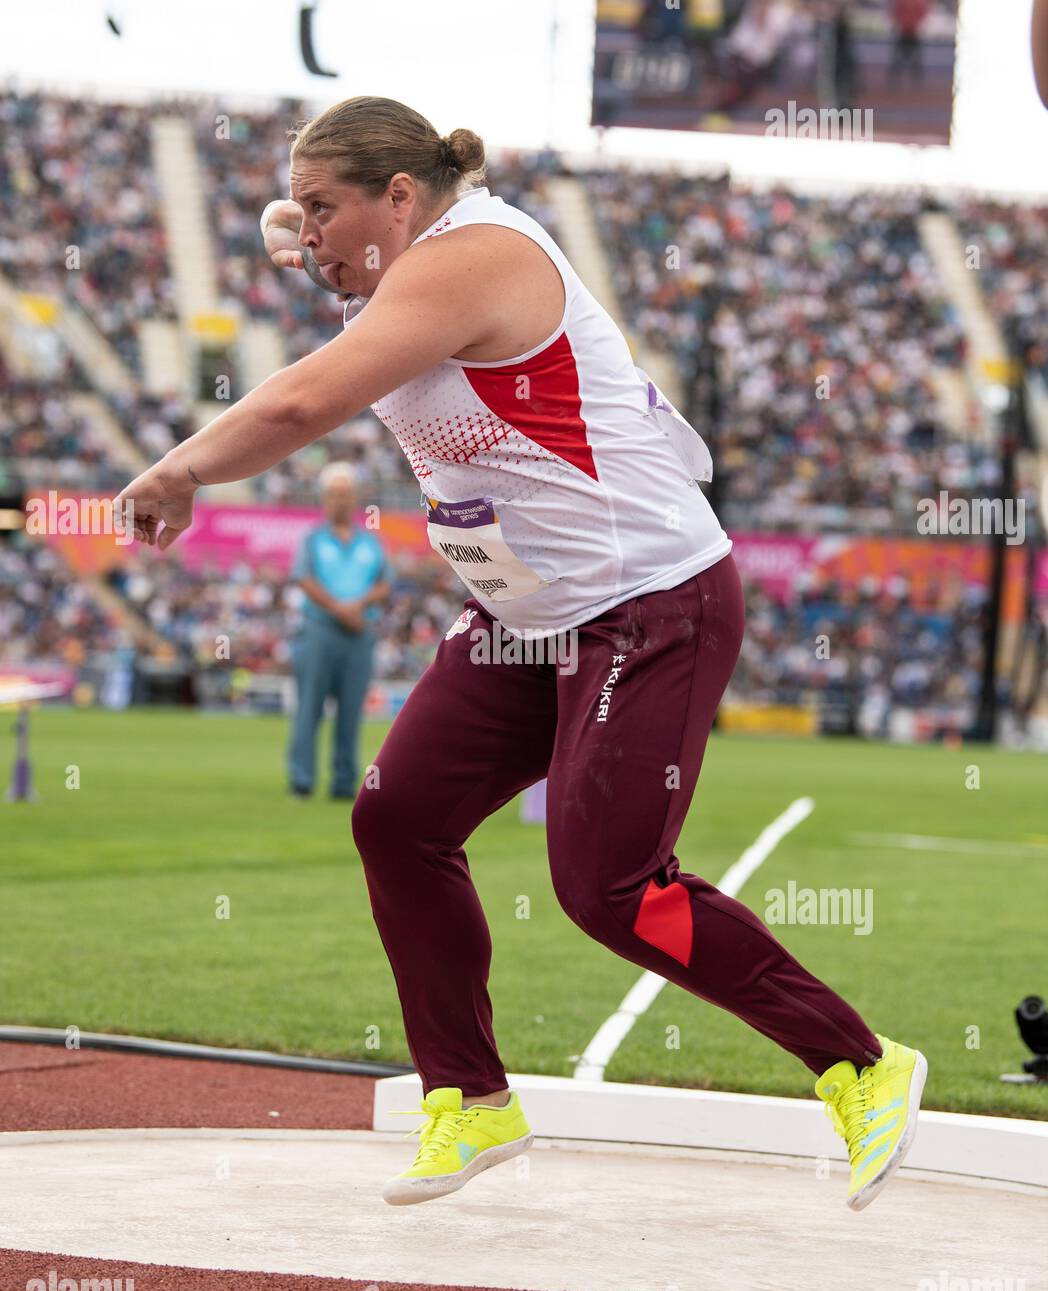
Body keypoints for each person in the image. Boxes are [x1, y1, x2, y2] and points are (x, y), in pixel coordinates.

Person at [113, 95, 926, 1212]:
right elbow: (347, 286)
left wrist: (183, 468)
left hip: (651, 600)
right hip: (529, 612)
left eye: (322, 209)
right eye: (296, 213)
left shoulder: (472, 257)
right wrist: (325, 240)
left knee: (611, 889)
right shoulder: (396, 262)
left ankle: (860, 1062)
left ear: (401, 197)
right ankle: (473, 1099)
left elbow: (304, 400)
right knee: (397, 816)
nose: (306, 235)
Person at [287, 461, 390, 800]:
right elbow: (304, 579)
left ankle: (343, 782)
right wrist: (340, 609)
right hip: (319, 630)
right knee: (309, 708)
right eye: (334, 495)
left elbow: (385, 583)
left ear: (355, 498)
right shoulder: (312, 540)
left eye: (345, 494)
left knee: (351, 711)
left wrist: (357, 608)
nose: (340, 501)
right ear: (324, 499)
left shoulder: (371, 543)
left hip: (359, 633)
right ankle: (302, 778)